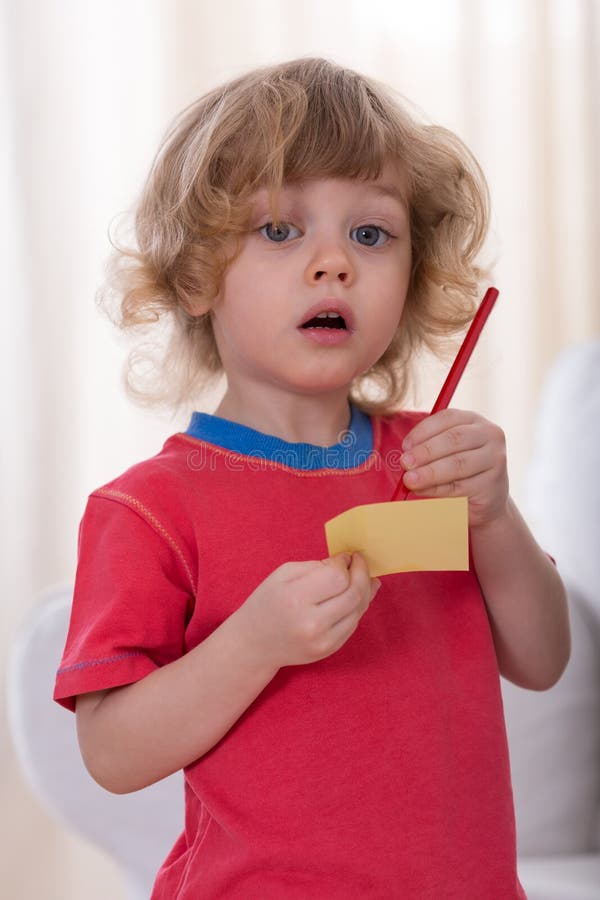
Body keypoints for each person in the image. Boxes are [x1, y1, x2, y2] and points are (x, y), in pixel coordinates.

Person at [54, 58, 570, 899]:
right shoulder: (148, 510)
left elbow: (545, 660)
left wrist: (496, 517)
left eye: (371, 235)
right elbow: (112, 756)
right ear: (194, 277)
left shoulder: (436, 464)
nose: (334, 263)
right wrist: (254, 643)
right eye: (280, 230)